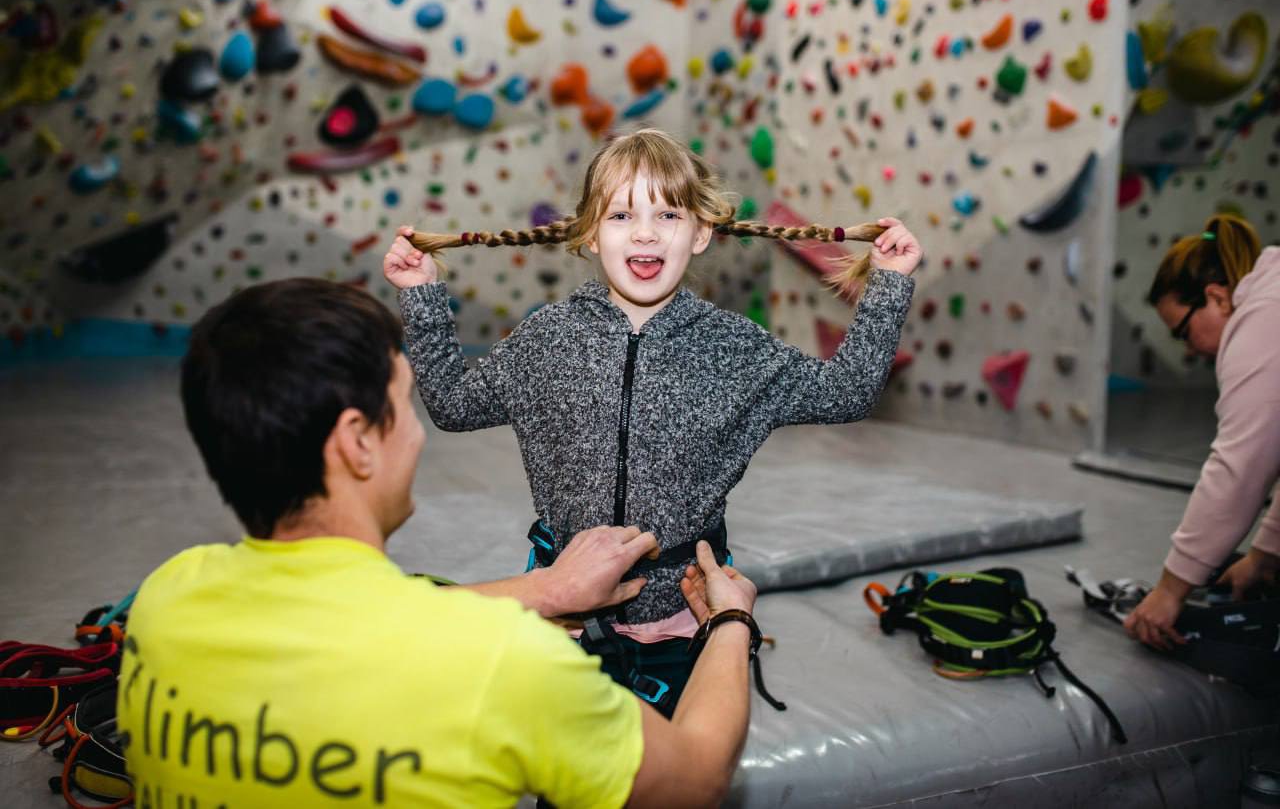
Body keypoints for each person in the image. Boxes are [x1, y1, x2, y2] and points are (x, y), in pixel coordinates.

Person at [117, 277, 761, 808]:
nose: (420, 434)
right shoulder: (505, 664)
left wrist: (545, 589)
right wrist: (730, 622)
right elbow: (694, 779)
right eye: (403, 404)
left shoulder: (168, 599)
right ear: (357, 442)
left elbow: (374, 625)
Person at [384, 127, 921, 713]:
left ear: (701, 233)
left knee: (677, 774)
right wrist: (421, 298)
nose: (644, 231)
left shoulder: (733, 348)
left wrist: (887, 287)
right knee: (570, 779)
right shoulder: (548, 339)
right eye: (620, 215)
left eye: (668, 214)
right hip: (564, 611)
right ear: (589, 233)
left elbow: (844, 394)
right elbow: (454, 406)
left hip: (683, 615)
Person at [1124, 214, 1280, 650]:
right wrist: (1264, 558)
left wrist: (1171, 591)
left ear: (1216, 298)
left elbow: (1238, 469)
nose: (1189, 349)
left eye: (1183, 332)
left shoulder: (1261, 320)